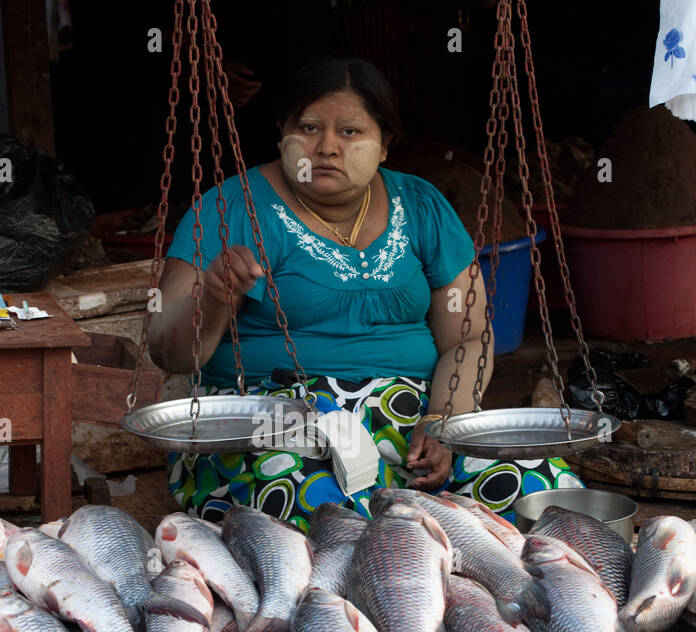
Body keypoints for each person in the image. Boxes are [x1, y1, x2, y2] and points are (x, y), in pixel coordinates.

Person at [150, 56, 582, 531]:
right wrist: (212, 298)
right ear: (281, 133)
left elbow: (469, 337)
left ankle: (475, 583)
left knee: (540, 488)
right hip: (278, 427)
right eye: (309, 127)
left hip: (412, 418)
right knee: (326, 513)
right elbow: (170, 353)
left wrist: (444, 423)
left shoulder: (420, 205)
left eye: (351, 132)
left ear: (384, 144)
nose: (327, 147)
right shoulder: (231, 208)